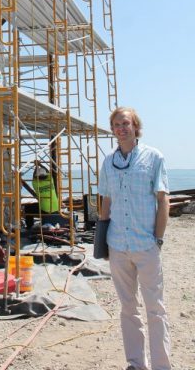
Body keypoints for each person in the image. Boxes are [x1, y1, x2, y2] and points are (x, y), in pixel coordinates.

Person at [99, 106, 171, 370]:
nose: (121, 128)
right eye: (117, 124)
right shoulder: (108, 162)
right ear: (113, 129)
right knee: (128, 309)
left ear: (135, 126)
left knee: (155, 309)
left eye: (126, 123)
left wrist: (158, 240)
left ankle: (162, 366)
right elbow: (106, 201)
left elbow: (163, 201)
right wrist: (103, 239)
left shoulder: (154, 158)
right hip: (118, 245)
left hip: (146, 245)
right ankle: (136, 363)